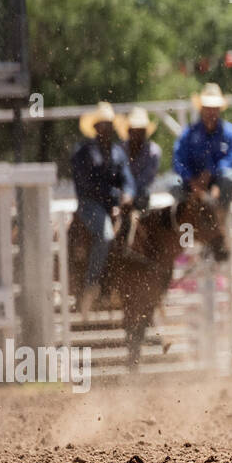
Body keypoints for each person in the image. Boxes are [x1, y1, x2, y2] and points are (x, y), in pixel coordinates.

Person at [70, 101, 135, 315]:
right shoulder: (83, 152)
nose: (106, 129)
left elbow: (127, 179)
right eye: (102, 125)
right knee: (105, 235)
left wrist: (128, 194)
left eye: (108, 125)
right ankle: (92, 283)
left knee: (137, 230)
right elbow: (88, 186)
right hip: (90, 205)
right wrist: (116, 198)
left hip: (111, 205)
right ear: (96, 127)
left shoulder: (117, 152)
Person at [171, 82, 232, 209]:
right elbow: (178, 160)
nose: (211, 112)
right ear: (201, 109)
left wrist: (212, 174)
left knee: (229, 177)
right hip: (192, 182)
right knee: (173, 184)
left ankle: (220, 216)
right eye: (208, 108)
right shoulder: (188, 134)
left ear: (219, 109)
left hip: (218, 182)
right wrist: (192, 182)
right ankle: (188, 214)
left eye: (214, 108)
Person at [120, 107, 161, 211]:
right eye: (134, 131)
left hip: (140, 191)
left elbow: (146, 179)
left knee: (143, 196)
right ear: (129, 131)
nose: (137, 135)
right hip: (122, 190)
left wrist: (130, 193)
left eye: (140, 131)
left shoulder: (153, 152)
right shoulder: (119, 150)